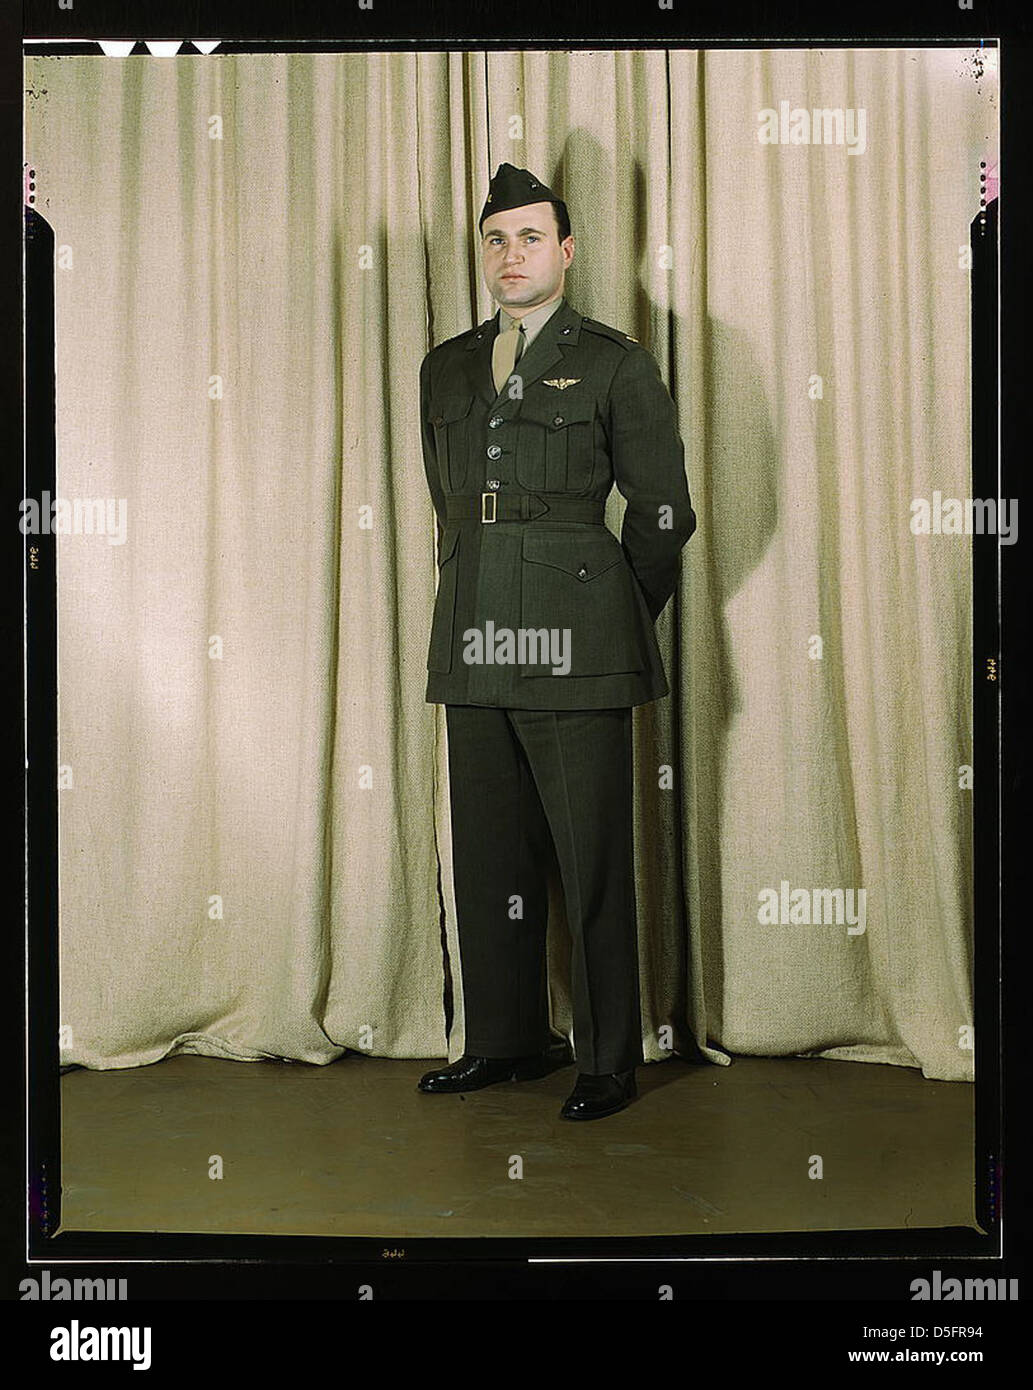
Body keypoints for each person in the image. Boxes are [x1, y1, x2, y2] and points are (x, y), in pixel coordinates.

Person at [416, 163, 696, 1120]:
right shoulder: (446, 366)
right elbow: (450, 502)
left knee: (589, 858)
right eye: (495, 238)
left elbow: (662, 513)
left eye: (530, 237)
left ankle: (606, 1056)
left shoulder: (616, 362)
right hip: (473, 627)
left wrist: (612, 614)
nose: (510, 254)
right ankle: (503, 1040)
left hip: (577, 635)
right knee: (488, 852)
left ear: (566, 252)